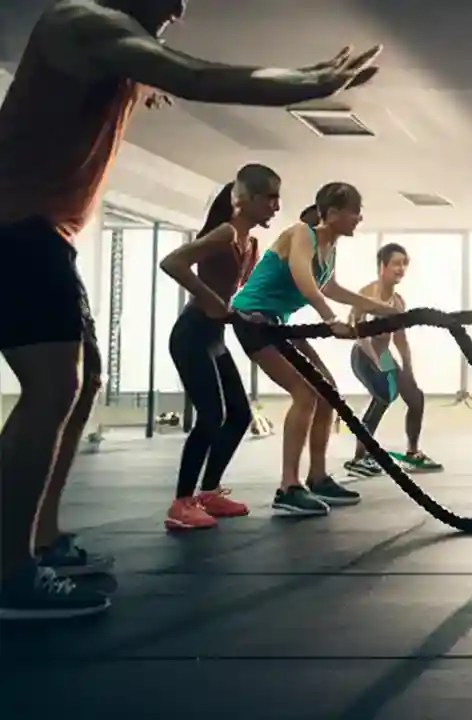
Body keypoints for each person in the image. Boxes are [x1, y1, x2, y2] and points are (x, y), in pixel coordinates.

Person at [0, 0, 380, 621]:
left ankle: (41, 541)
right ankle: (9, 570)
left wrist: (138, 84)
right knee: (52, 388)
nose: (179, 5)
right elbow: (196, 76)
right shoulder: (84, 22)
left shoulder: (108, 48)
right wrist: (310, 83)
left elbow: (154, 73)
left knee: (84, 382)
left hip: (43, 236)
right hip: (18, 231)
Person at [230, 182, 400, 517]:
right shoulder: (301, 234)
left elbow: (331, 286)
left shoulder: (329, 248)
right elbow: (303, 279)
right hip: (252, 319)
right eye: (354, 210)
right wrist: (330, 319)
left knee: (329, 391)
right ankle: (288, 487)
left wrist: (385, 310)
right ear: (333, 213)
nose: (359, 217)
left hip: (277, 323)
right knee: (305, 394)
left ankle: (318, 477)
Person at [158, 164, 279, 531]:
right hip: (192, 334)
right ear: (246, 200)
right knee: (211, 417)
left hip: (214, 338)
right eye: (270, 198)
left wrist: (248, 314)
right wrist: (210, 299)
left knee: (239, 415)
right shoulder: (226, 233)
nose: (276, 206)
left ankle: (209, 493)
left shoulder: (251, 244)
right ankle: (181, 503)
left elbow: (231, 298)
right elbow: (172, 262)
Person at [343, 242, 443, 478]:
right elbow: (356, 330)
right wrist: (375, 361)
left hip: (385, 355)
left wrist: (408, 369)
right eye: (396, 263)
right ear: (382, 266)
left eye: (404, 264)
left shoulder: (398, 303)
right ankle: (359, 457)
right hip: (363, 353)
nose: (401, 269)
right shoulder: (367, 293)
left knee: (415, 397)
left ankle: (413, 452)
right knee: (383, 396)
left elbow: (400, 339)